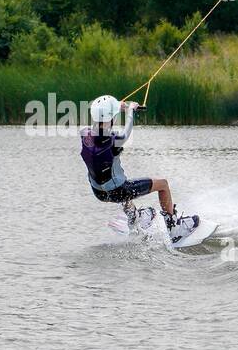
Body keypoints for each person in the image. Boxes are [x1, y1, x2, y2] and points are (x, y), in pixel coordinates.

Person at [80, 95, 199, 241]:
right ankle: (173, 228)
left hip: (99, 193)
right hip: (119, 191)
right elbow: (125, 134)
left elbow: (103, 126)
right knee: (163, 184)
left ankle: (134, 219)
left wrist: (118, 107)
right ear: (112, 116)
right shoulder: (115, 140)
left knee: (122, 191)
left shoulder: (85, 134)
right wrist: (130, 111)